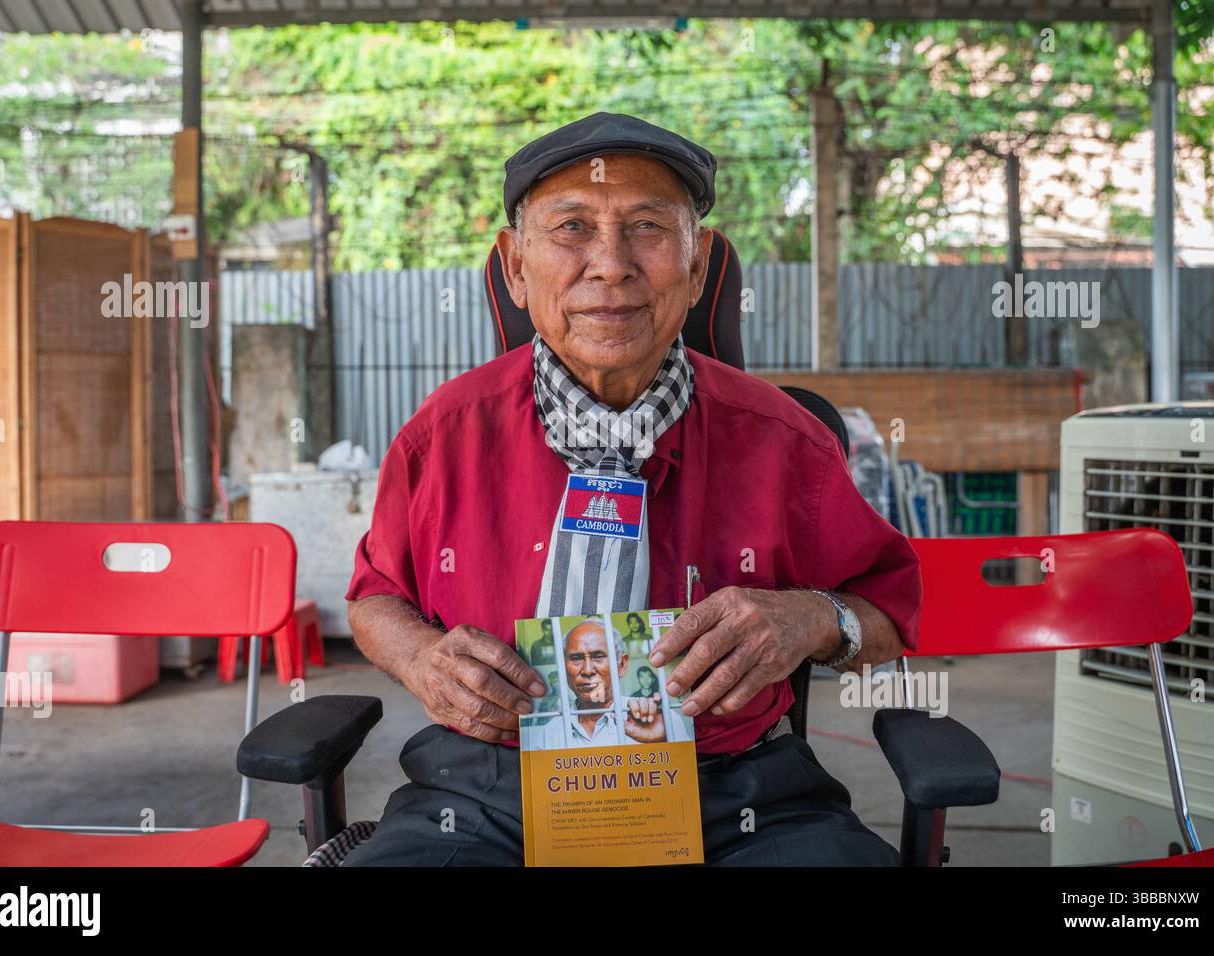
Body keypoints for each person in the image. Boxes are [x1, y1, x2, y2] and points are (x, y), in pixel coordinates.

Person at [344, 112, 922, 866]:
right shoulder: (444, 433)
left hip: (737, 794)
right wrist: (421, 657)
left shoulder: (785, 440)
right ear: (515, 266)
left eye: (647, 227)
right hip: (486, 795)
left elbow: (885, 612)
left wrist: (812, 619)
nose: (610, 265)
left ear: (700, 265)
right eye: (572, 227)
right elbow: (372, 597)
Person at [519, 619, 690, 749]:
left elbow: (684, 782)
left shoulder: (660, 721)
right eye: (576, 658)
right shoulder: (549, 734)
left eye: (598, 656)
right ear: (564, 668)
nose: (587, 670)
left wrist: (663, 744)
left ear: (621, 665)